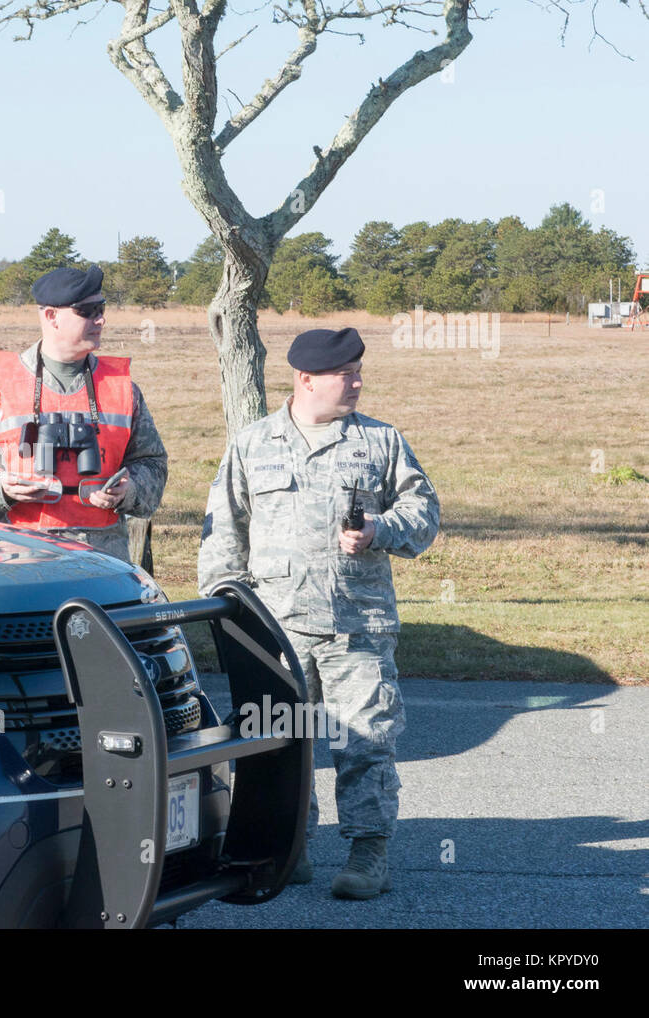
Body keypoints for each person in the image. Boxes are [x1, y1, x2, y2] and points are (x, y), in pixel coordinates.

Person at [198, 326, 439, 899]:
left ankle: (367, 855)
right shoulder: (254, 443)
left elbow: (424, 513)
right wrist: (226, 606)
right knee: (280, 740)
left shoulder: (381, 442)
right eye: (344, 374)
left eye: (359, 372)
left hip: (357, 623)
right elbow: (223, 530)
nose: (356, 382)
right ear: (306, 379)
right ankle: (290, 849)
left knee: (364, 741)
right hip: (275, 626)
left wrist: (381, 529)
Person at [0, 264, 167, 563]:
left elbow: (152, 463)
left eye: (101, 308)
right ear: (51, 316)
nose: (100, 319)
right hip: (14, 555)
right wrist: (0, 487)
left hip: (100, 559)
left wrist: (130, 490)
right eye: (87, 311)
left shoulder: (122, 389)